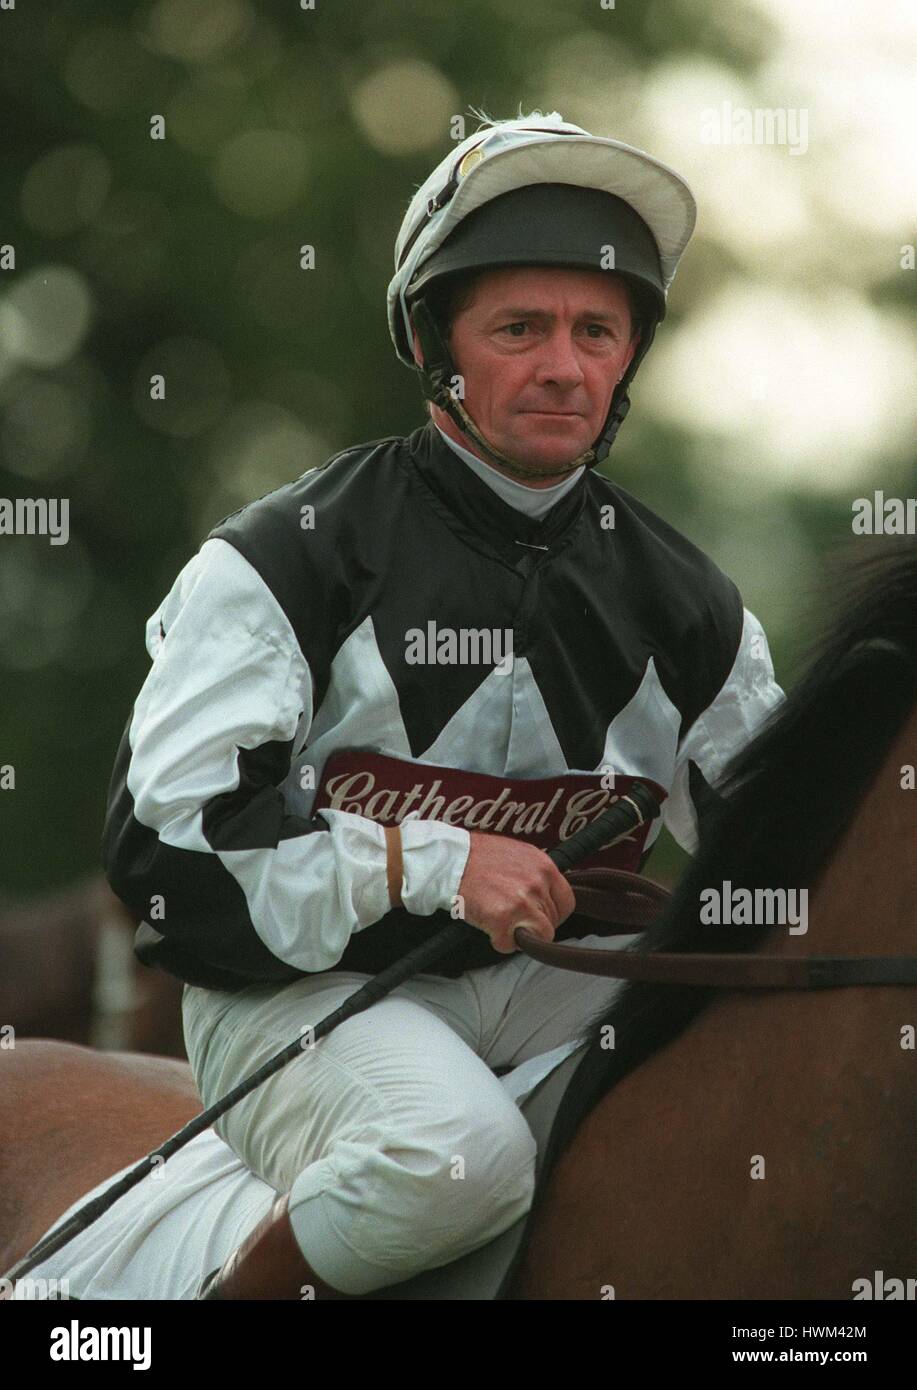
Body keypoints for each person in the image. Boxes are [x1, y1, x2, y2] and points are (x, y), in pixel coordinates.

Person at [101, 111, 784, 1299]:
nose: (564, 367)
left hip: (546, 979)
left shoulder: (690, 604)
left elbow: (789, 850)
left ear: (629, 356)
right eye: (518, 329)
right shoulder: (284, 560)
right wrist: (433, 864)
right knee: (455, 1159)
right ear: (435, 345)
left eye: (595, 331)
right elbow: (168, 865)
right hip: (292, 997)